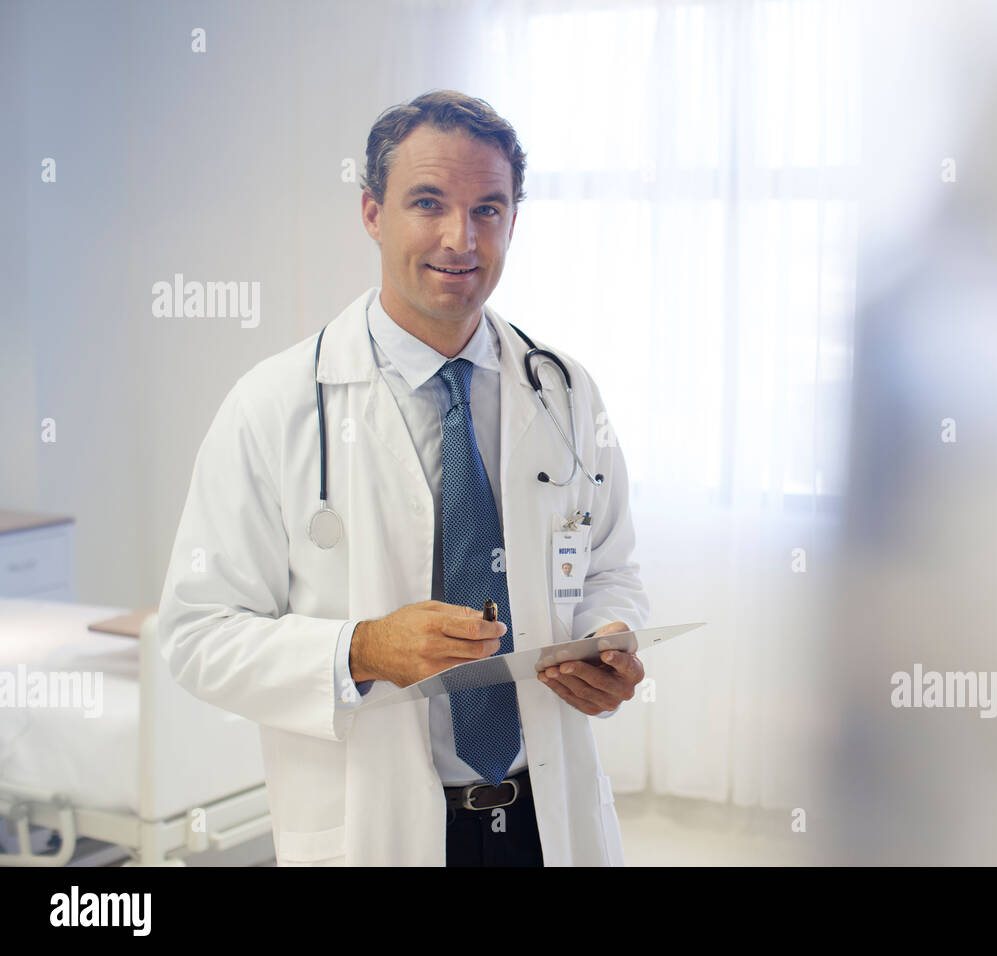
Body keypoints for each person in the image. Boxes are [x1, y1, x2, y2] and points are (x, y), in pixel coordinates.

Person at [158, 90, 650, 866]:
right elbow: (196, 636)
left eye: (489, 209)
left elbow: (611, 567)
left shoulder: (564, 391)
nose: (461, 238)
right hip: (372, 830)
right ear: (371, 213)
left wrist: (608, 640)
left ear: (514, 221)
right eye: (428, 203)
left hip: (545, 818)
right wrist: (361, 650)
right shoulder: (275, 407)